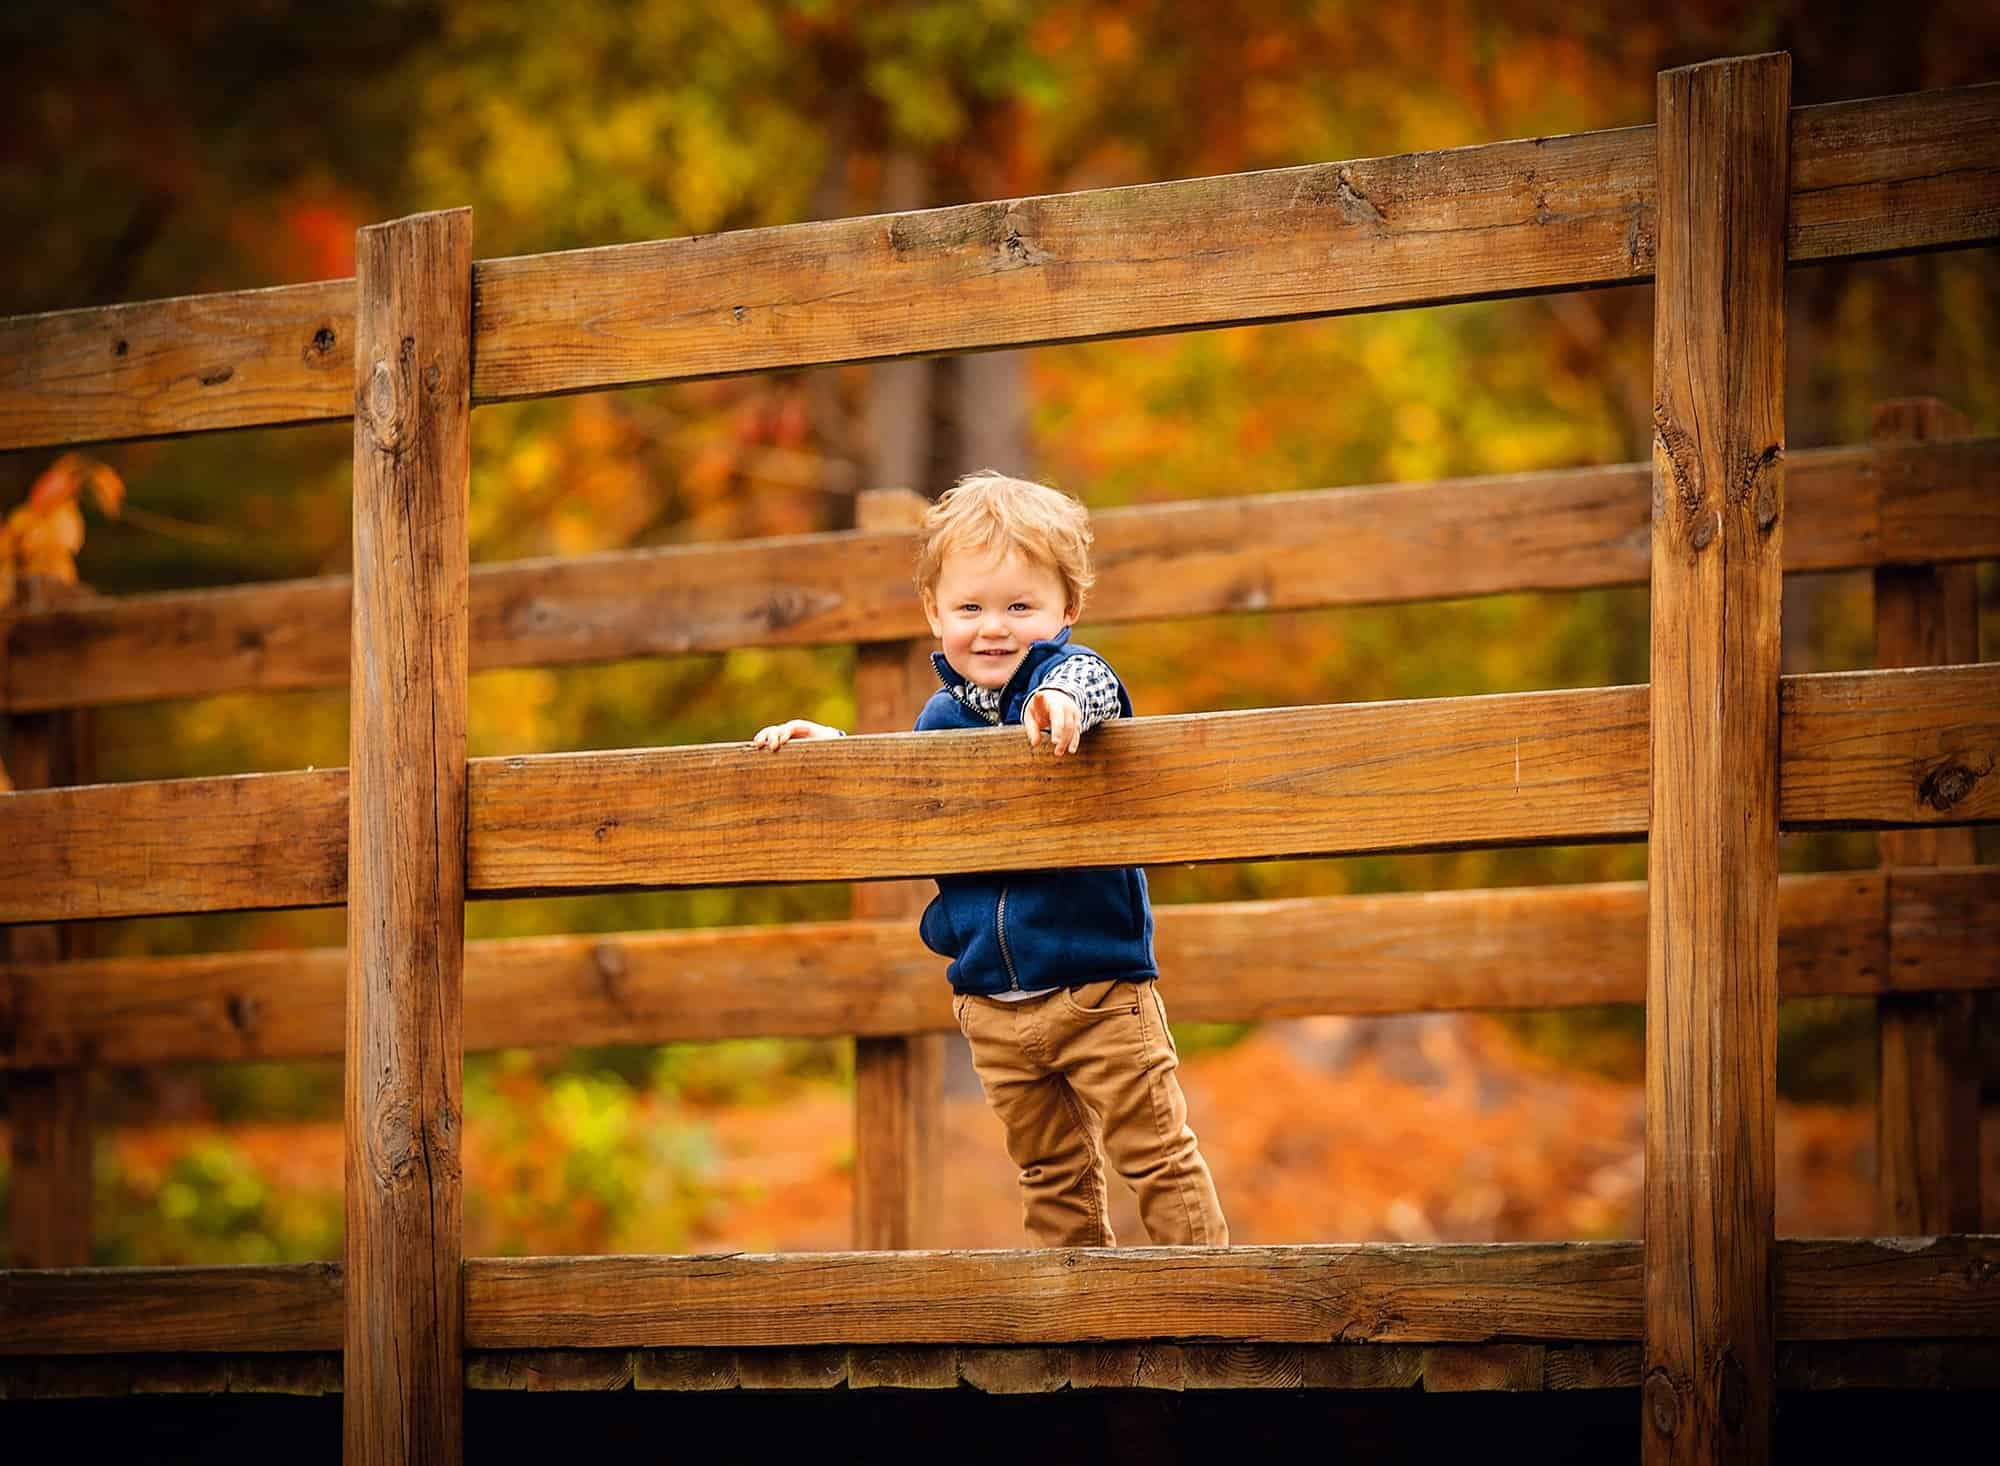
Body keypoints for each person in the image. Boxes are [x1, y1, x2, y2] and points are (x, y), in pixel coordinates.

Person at [752, 470, 1228, 1248]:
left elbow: (1092, 682)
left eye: (1020, 607)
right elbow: (905, 784)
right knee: (1050, 1173)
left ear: (1067, 610)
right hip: (993, 1005)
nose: (993, 629)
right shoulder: (940, 718)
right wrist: (834, 751)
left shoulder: (1067, 677)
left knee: (1156, 1156)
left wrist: (1062, 705)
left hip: (1097, 990)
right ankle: (1075, 1306)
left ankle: (1213, 1295)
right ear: (934, 612)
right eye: (970, 608)